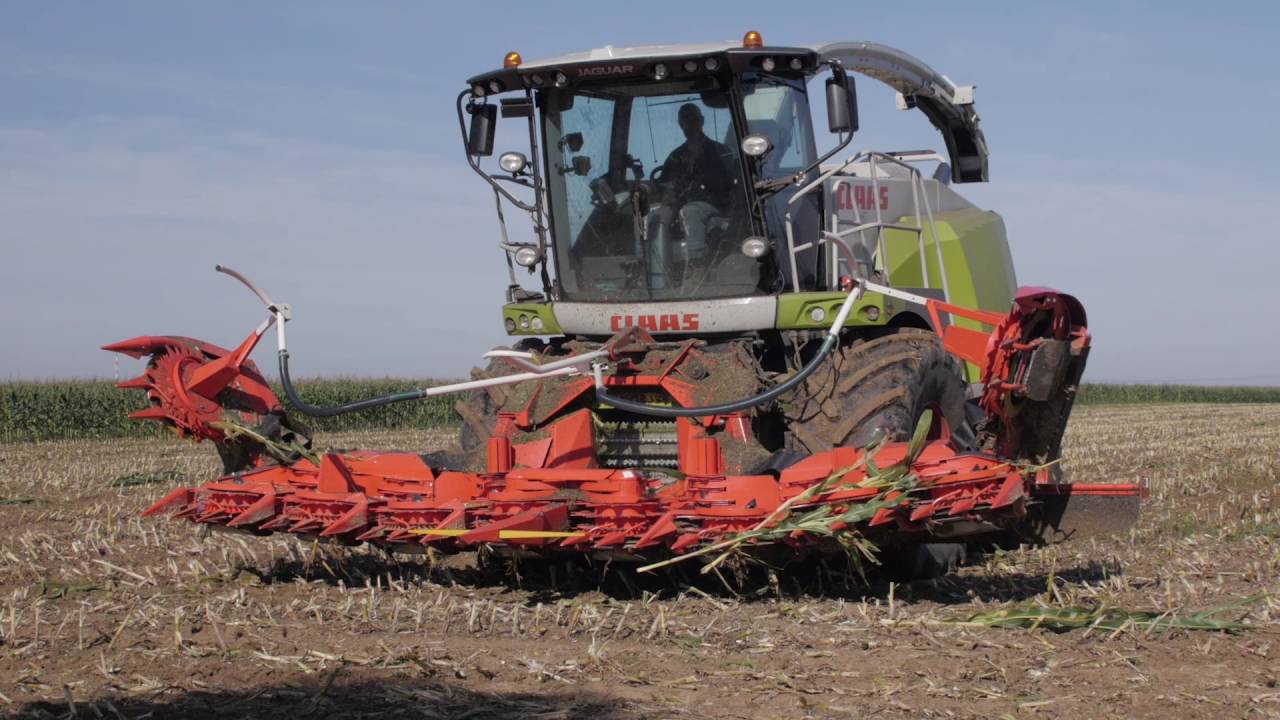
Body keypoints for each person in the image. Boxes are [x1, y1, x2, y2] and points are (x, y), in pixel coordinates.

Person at [653, 103, 736, 254]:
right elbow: (667, 187)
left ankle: (696, 263)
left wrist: (699, 167)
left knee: (690, 212)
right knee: (651, 217)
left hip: (713, 204)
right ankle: (651, 264)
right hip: (679, 204)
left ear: (701, 121)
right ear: (679, 124)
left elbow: (729, 186)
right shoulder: (675, 157)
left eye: (693, 120)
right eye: (685, 121)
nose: (689, 126)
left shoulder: (721, 152)